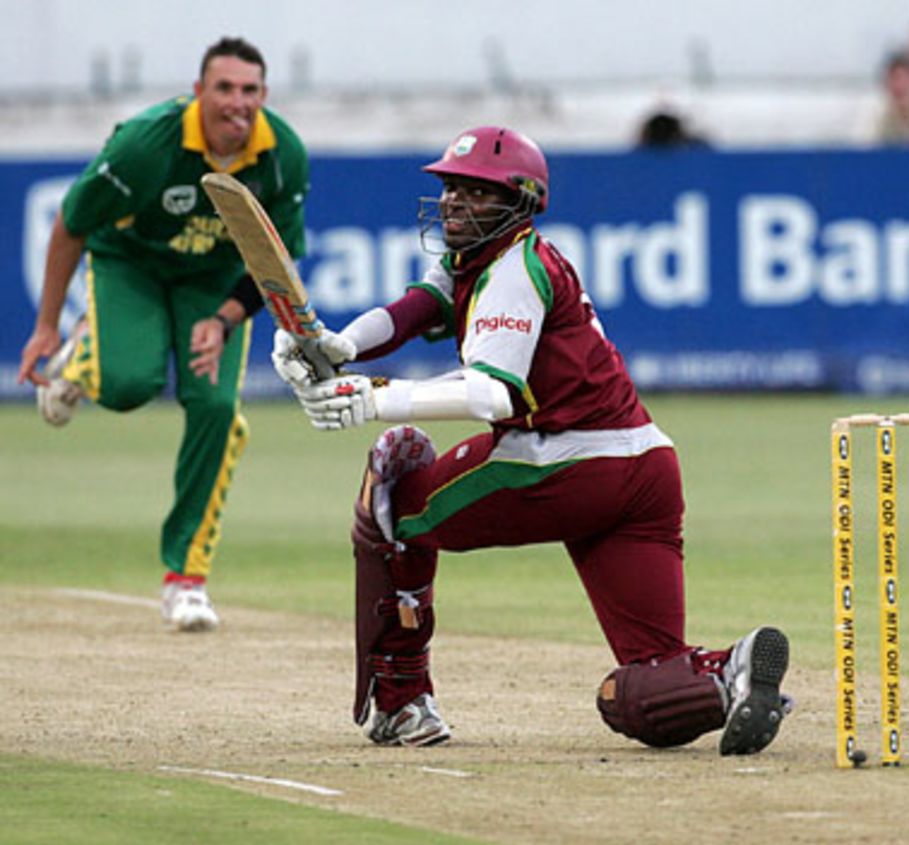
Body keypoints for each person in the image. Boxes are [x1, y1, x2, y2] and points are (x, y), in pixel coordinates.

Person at [270, 126, 791, 753]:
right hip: (647, 468)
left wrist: (374, 399)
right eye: (451, 188)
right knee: (638, 691)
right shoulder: (484, 258)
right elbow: (417, 307)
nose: (455, 203)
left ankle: (400, 701)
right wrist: (342, 346)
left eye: (476, 192)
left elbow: (492, 394)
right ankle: (729, 672)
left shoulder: (514, 270)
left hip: (561, 462)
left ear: (519, 203)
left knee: (393, 495)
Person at [16, 37, 310, 633]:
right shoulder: (146, 144)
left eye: (249, 90)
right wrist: (46, 326)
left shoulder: (282, 155)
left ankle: (186, 580)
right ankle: (81, 356)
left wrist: (223, 318)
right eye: (224, 88)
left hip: (213, 284)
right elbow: (72, 222)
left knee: (217, 407)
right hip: (132, 266)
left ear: (265, 95)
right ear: (199, 91)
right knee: (127, 386)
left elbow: (277, 265)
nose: (237, 103)